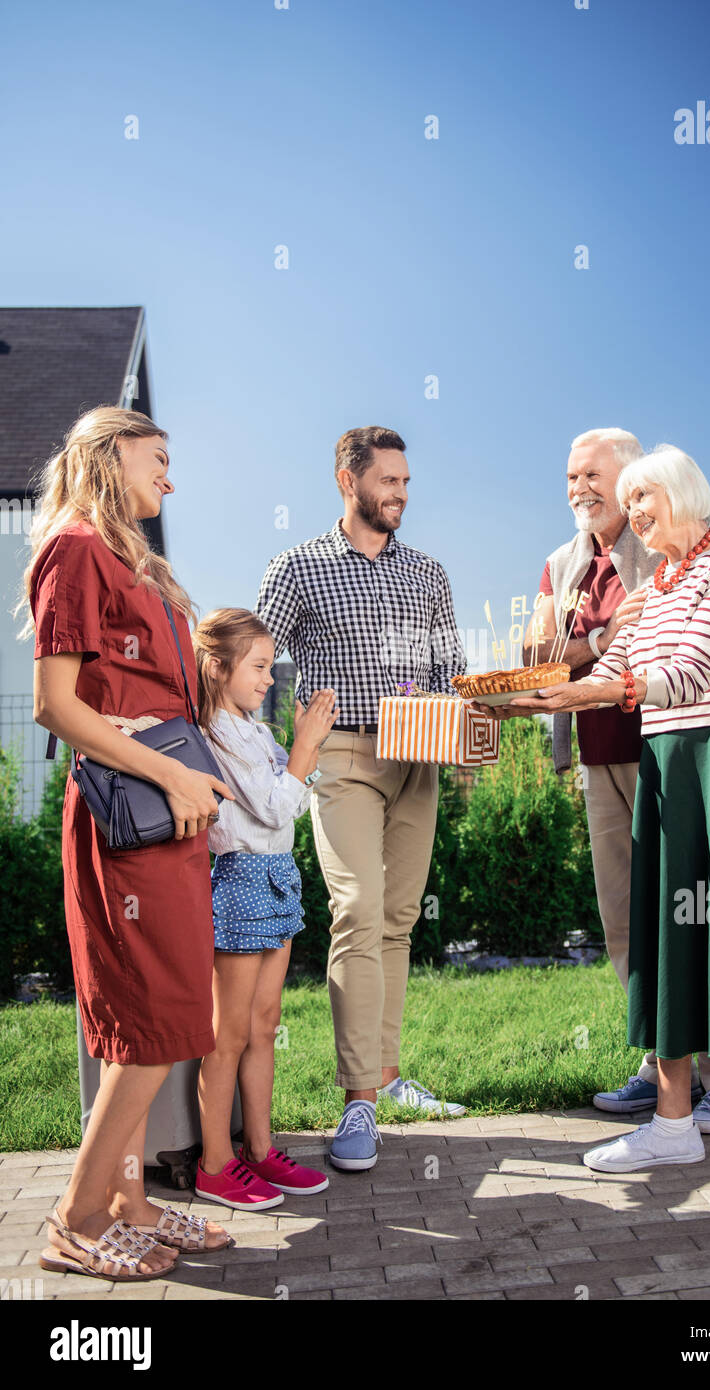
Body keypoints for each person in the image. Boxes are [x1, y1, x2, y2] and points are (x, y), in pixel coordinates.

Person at [513, 444, 710, 1186]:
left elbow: (684, 674)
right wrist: (535, 695)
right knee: (671, 942)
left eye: (644, 497)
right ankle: (671, 1126)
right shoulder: (654, 588)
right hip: (670, 770)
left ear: (684, 493)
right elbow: (606, 666)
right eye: (627, 502)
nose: (633, 512)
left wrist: (590, 694)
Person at [20, 407, 234, 1281]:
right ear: (110, 456)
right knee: (147, 1025)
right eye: (157, 460)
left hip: (167, 810)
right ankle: (74, 1219)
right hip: (133, 813)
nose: (169, 479)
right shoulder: (73, 548)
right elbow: (55, 705)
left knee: (158, 1019)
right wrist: (174, 774)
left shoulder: (128, 559)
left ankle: (131, 1202)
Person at [255, 426, 467, 1172]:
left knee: (399, 918)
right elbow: (256, 659)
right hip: (343, 754)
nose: (402, 494)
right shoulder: (299, 567)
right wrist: (262, 750)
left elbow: (453, 672)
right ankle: (358, 1102)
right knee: (357, 910)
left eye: (407, 482)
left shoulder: (430, 574)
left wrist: (468, 726)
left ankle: (386, 1070)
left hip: (420, 755)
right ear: (349, 482)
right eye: (389, 482)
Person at [193, 608, 336, 1209]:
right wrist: (301, 750)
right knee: (228, 1033)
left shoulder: (253, 728)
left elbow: (293, 800)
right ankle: (213, 1164)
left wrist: (298, 757)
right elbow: (280, 807)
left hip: (277, 876)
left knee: (265, 1024)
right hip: (243, 880)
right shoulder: (217, 734)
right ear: (218, 668)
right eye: (258, 666)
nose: (270, 678)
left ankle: (258, 1147)